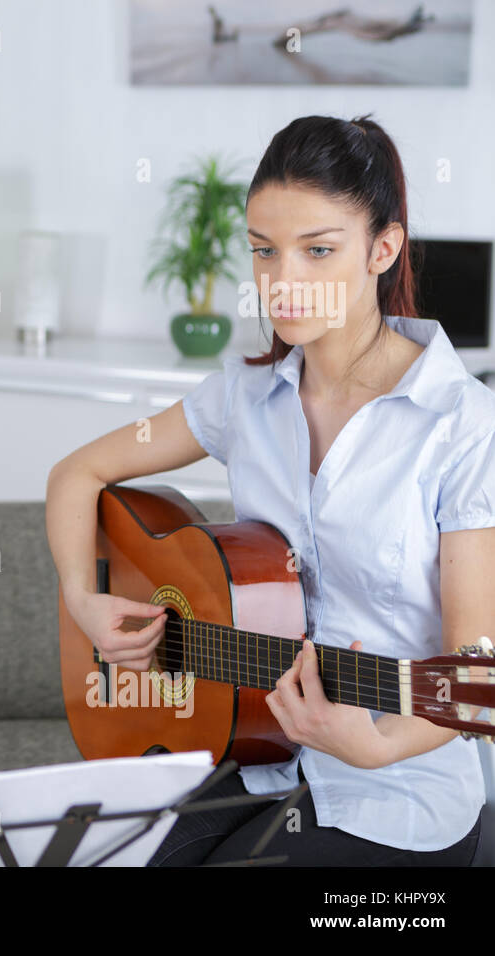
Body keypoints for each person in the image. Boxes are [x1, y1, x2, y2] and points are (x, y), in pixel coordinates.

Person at [46, 114, 490, 866]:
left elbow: (475, 674)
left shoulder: (464, 424)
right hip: (251, 753)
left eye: (318, 250)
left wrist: (377, 744)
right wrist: (84, 602)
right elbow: (75, 474)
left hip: (400, 789)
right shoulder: (241, 399)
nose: (283, 283)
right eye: (264, 251)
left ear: (383, 249)